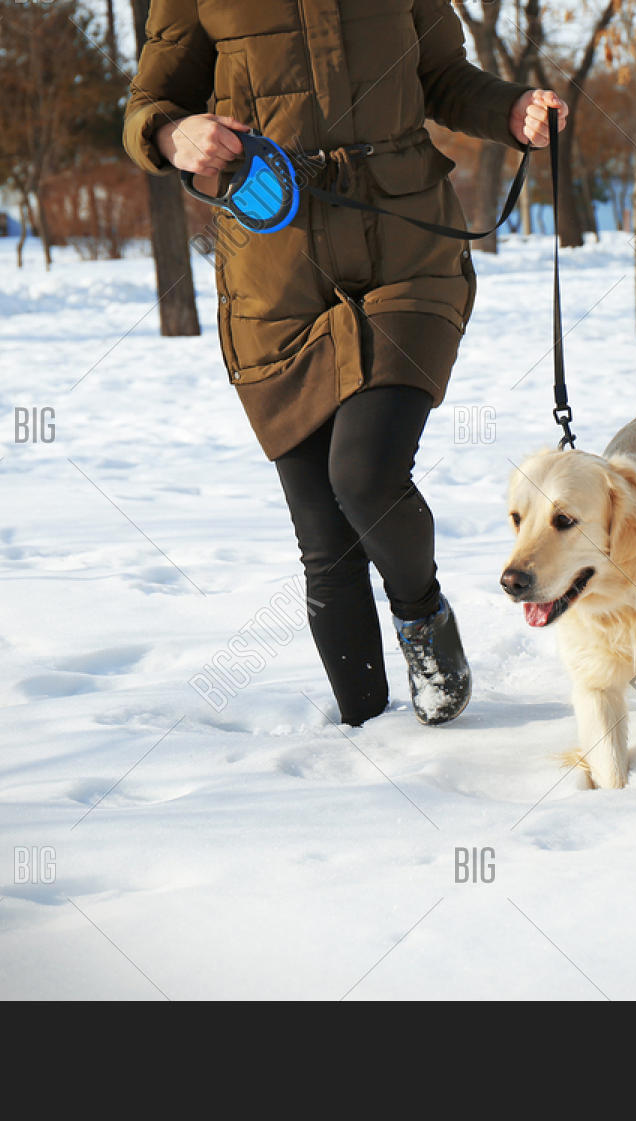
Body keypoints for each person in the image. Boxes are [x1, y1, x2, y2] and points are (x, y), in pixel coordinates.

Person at [123, 1, 566, 727]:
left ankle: (423, 616)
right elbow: (150, 106)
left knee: (364, 475)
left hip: (407, 251)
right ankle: (365, 737)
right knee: (325, 538)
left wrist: (513, 110)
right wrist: (175, 133)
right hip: (275, 276)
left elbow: (443, 77)